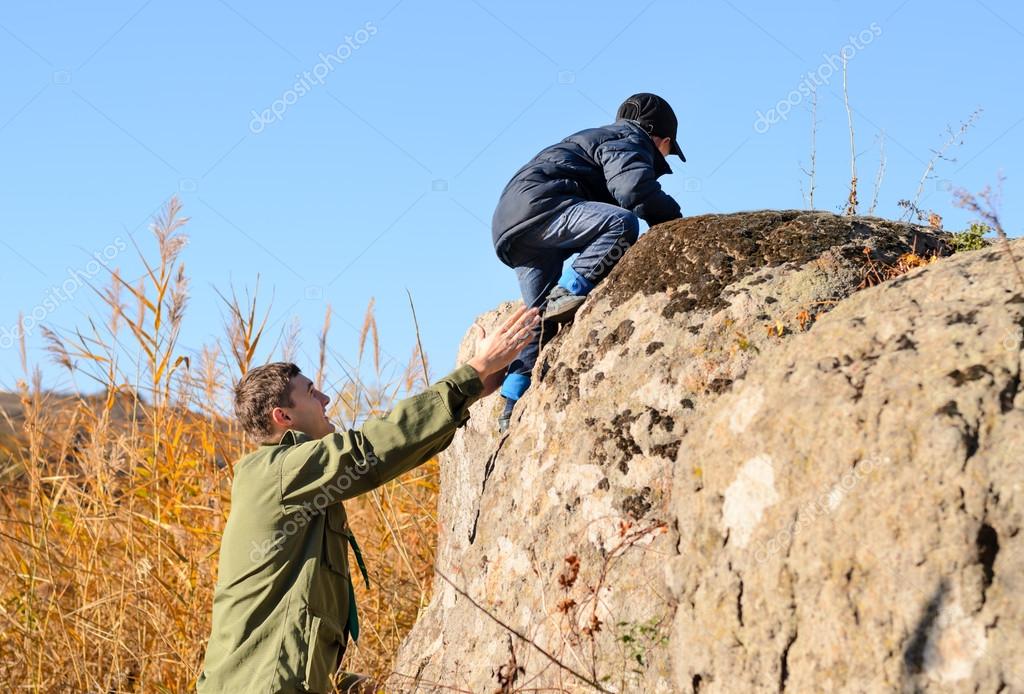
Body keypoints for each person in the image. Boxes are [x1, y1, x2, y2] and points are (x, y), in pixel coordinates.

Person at [196, 307, 540, 693]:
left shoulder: (289, 479)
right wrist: (472, 373)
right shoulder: (278, 472)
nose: (326, 398)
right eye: (311, 392)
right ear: (283, 416)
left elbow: (282, 626)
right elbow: (368, 451)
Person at [490, 93, 687, 432]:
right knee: (621, 223)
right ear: (663, 140)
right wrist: (674, 220)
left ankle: (511, 402)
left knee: (537, 321)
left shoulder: (594, 138)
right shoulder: (629, 139)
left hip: (511, 225)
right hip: (543, 207)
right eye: (668, 152)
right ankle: (568, 290)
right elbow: (633, 190)